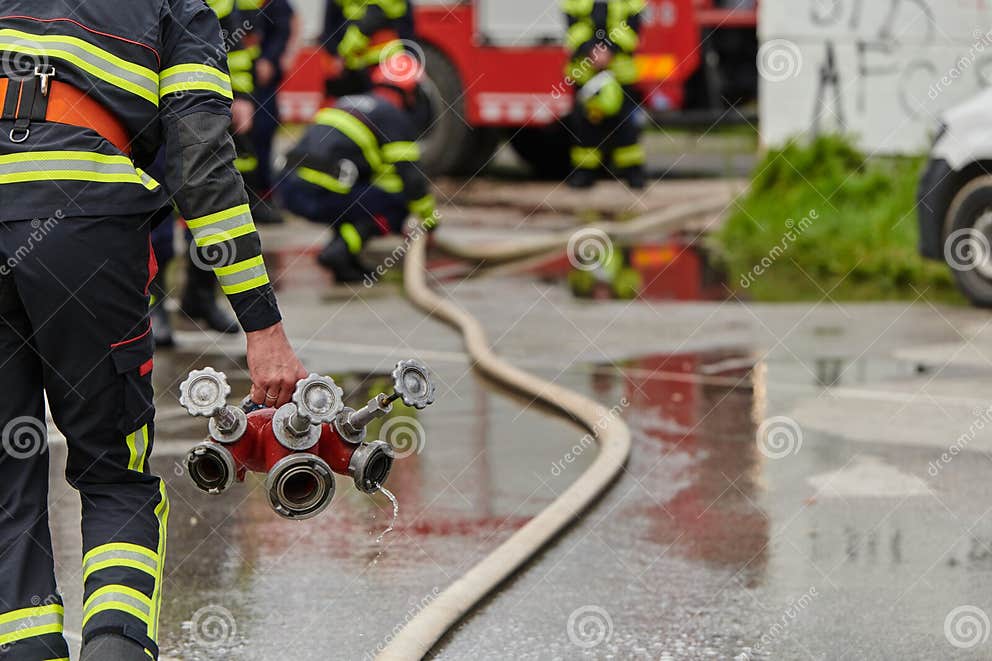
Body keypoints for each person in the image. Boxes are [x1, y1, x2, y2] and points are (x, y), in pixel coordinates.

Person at [0, 2, 307, 659]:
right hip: (82, 219)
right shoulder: (174, 6)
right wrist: (262, 324)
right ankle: (114, 645)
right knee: (114, 478)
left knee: (7, 472)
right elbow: (202, 172)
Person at [149, 0, 260, 346]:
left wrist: (240, 95)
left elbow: (232, 45)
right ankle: (155, 308)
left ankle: (200, 297)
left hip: (198, 108)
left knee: (213, 205)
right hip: (147, 112)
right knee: (155, 218)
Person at [278, 54, 437, 283]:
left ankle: (345, 259)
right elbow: (412, 180)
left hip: (288, 187)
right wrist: (430, 221)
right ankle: (340, 252)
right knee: (395, 205)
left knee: (361, 194)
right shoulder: (394, 117)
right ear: (410, 92)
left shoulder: (348, 101)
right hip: (318, 191)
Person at [561, 0, 647, 189]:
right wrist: (590, 49)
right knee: (585, 125)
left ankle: (633, 172)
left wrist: (610, 49)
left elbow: (633, 28)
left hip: (620, 72)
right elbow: (572, 26)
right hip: (585, 72)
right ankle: (584, 173)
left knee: (625, 126)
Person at [320, 0, 416, 97]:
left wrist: (410, 58)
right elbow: (329, 31)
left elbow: (406, 30)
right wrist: (336, 55)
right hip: (351, 68)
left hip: (386, 65)